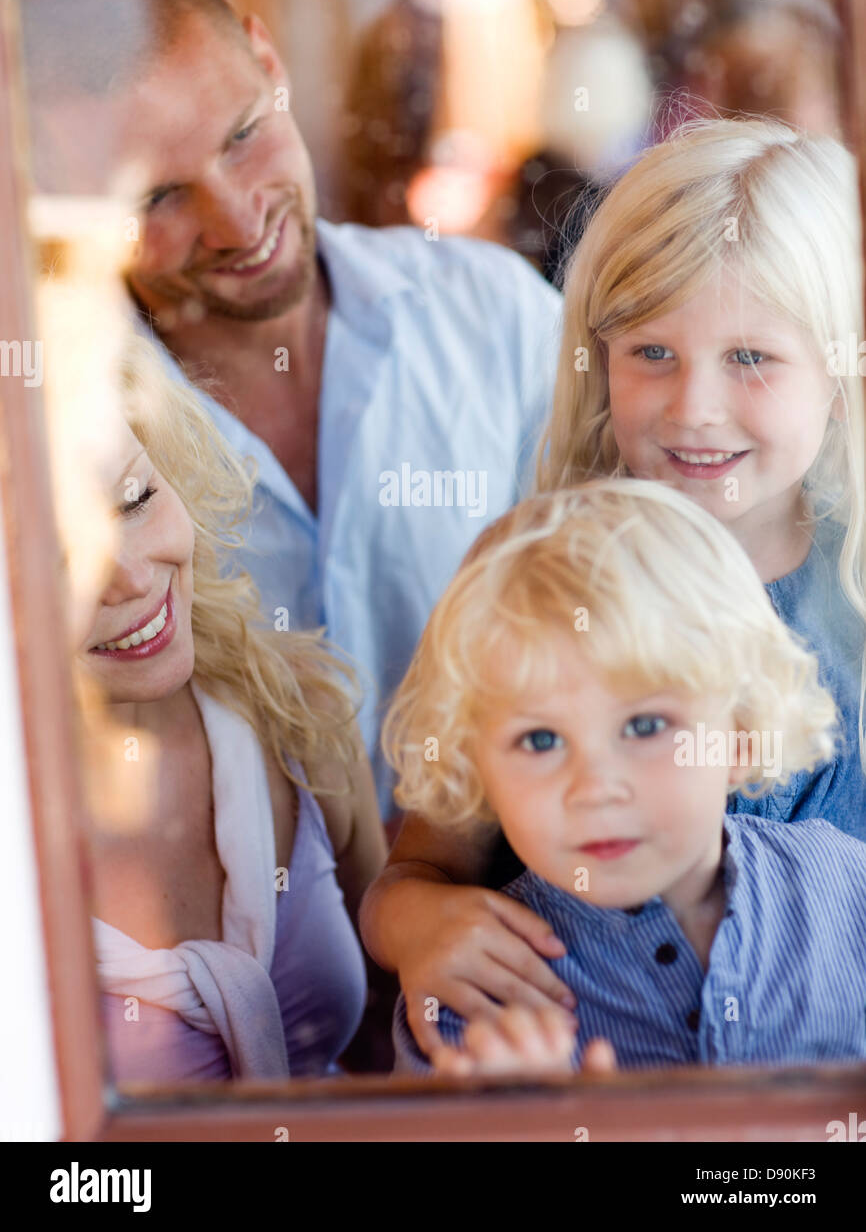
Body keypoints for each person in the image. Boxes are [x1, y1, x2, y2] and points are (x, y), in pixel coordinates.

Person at [360, 114, 866, 1056]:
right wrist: (423, 927)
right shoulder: (530, 586)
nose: (694, 407)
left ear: (841, 370)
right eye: (652, 353)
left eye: (751, 357)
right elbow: (415, 872)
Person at [16, 0, 562, 815]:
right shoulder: (60, 431)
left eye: (243, 135)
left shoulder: (498, 319)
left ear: (269, 64)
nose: (237, 221)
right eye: (156, 198)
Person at [383, 482, 866, 1076]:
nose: (594, 786)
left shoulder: (847, 889)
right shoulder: (477, 992)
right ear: (477, 768)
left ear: (740, 736)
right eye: (540, 740)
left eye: (644, 725)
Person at [77, 334, 387, 1082]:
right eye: (62, 558)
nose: (128, 577)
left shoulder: (296, 707)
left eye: (134, 498)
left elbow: (390, 1033)